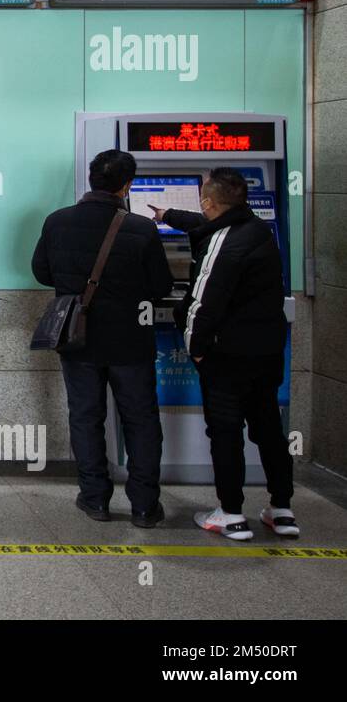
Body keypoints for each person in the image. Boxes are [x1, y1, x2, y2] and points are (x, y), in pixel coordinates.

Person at [149, 168, 297, 540]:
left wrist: (196, 349)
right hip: (266, 351)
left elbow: (203, 302)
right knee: (268, 428)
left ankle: (230, 513)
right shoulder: (258, 229)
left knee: (226, 432)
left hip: (227, 355)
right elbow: (205, 225)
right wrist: (167, 216)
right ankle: (281, 509)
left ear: (209, 202)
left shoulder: (223, 244)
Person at [32, 149, 173, 527]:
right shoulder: (142, 228)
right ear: (126, 186)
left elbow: (42, 272)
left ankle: (94, 498)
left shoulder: (57, 221)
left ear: (92, 180)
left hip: (78, 338)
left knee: (85, 415)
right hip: (130, 340)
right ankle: (144, 506)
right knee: (140, 420)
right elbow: (161, 284)